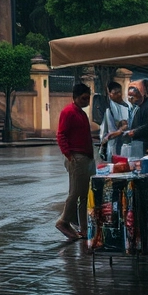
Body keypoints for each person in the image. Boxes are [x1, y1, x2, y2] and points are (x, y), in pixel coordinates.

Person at [55, 79, 93, 241]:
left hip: (85, 157)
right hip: (76, 157)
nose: (87, 101)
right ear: (76, 97)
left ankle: (84, 228)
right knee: (75, 192)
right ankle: (64, 221)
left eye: (88, 98)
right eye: (84, 98)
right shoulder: (68, 112)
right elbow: (61, 135)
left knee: (84, 194)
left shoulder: (81, 113)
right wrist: (69, 155)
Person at [124, 80, 148, 156]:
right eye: (129, 96)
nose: (130, 98)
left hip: (147, 145)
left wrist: (135, 132)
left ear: (141, 94)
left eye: (133, 96)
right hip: (138, 144)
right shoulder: (137, 107)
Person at [99, 79, 131, 157]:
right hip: (112, 143)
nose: (119, 94)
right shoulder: (109, 108)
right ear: (110, 94)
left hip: (124, 143)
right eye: (115, 93)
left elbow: (126, 124)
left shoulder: (127, 106)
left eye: (120, 92)